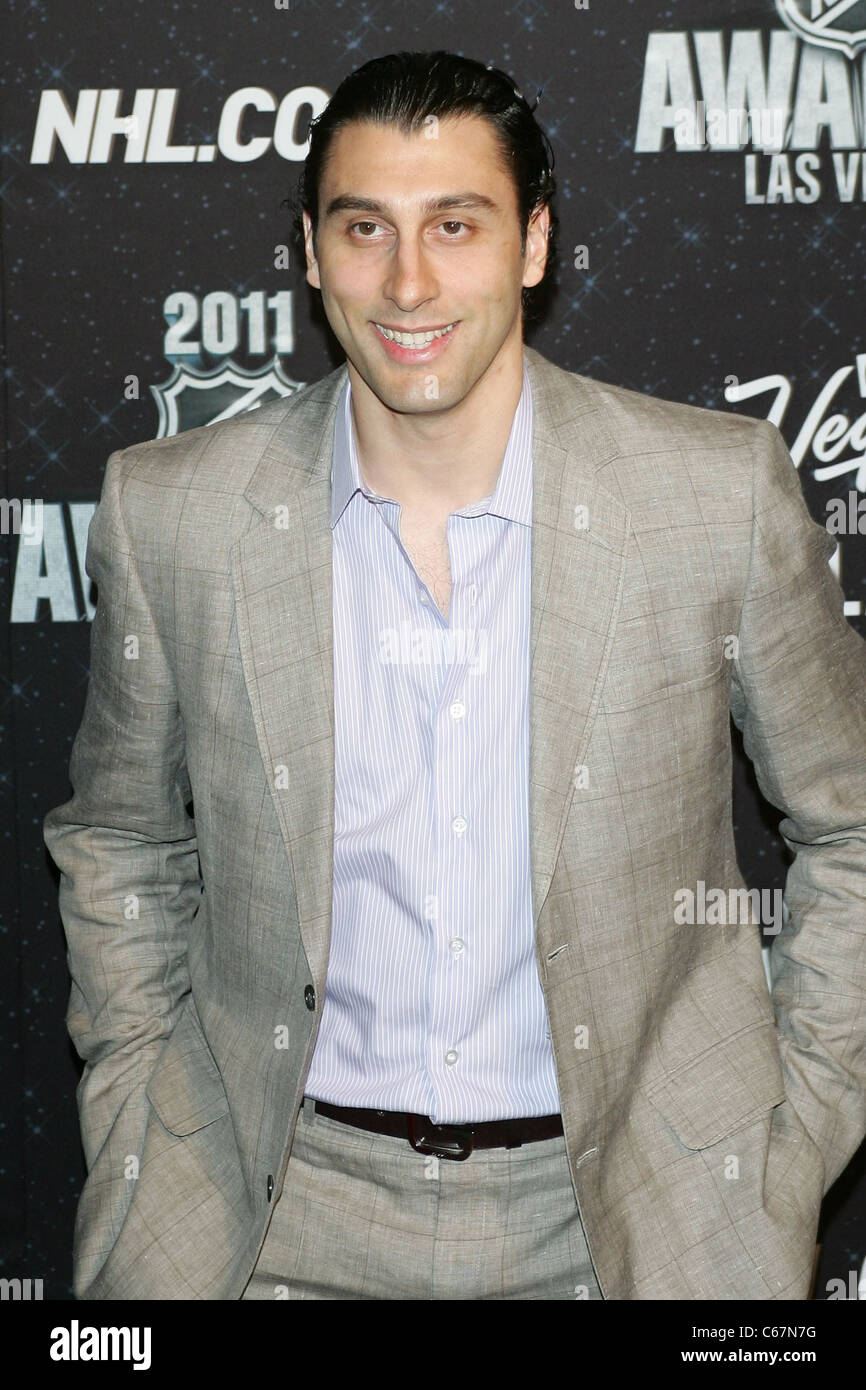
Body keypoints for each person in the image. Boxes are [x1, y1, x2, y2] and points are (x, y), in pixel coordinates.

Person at [43, 49, 866, 1302]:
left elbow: (851, 827)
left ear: (533, 244)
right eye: (363, 227)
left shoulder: (710, 498)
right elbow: (119, 840)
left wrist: (781, 1138)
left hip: (636, 1225)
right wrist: (138, 1110)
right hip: (265, 1218)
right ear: (311, 256)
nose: (408, 281)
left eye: (456, 225)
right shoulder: (176, 512)